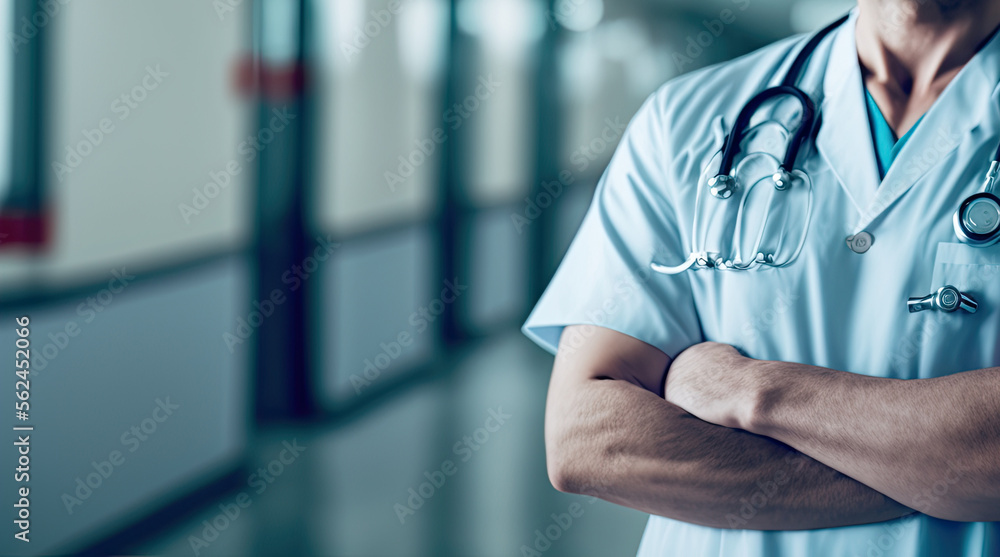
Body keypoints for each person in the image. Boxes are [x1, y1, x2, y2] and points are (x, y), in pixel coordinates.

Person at [521, 1, 1000, 555]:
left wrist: (753, 392)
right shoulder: (687, 119)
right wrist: (949, 474)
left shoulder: (748, 392)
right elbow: (589, 441)